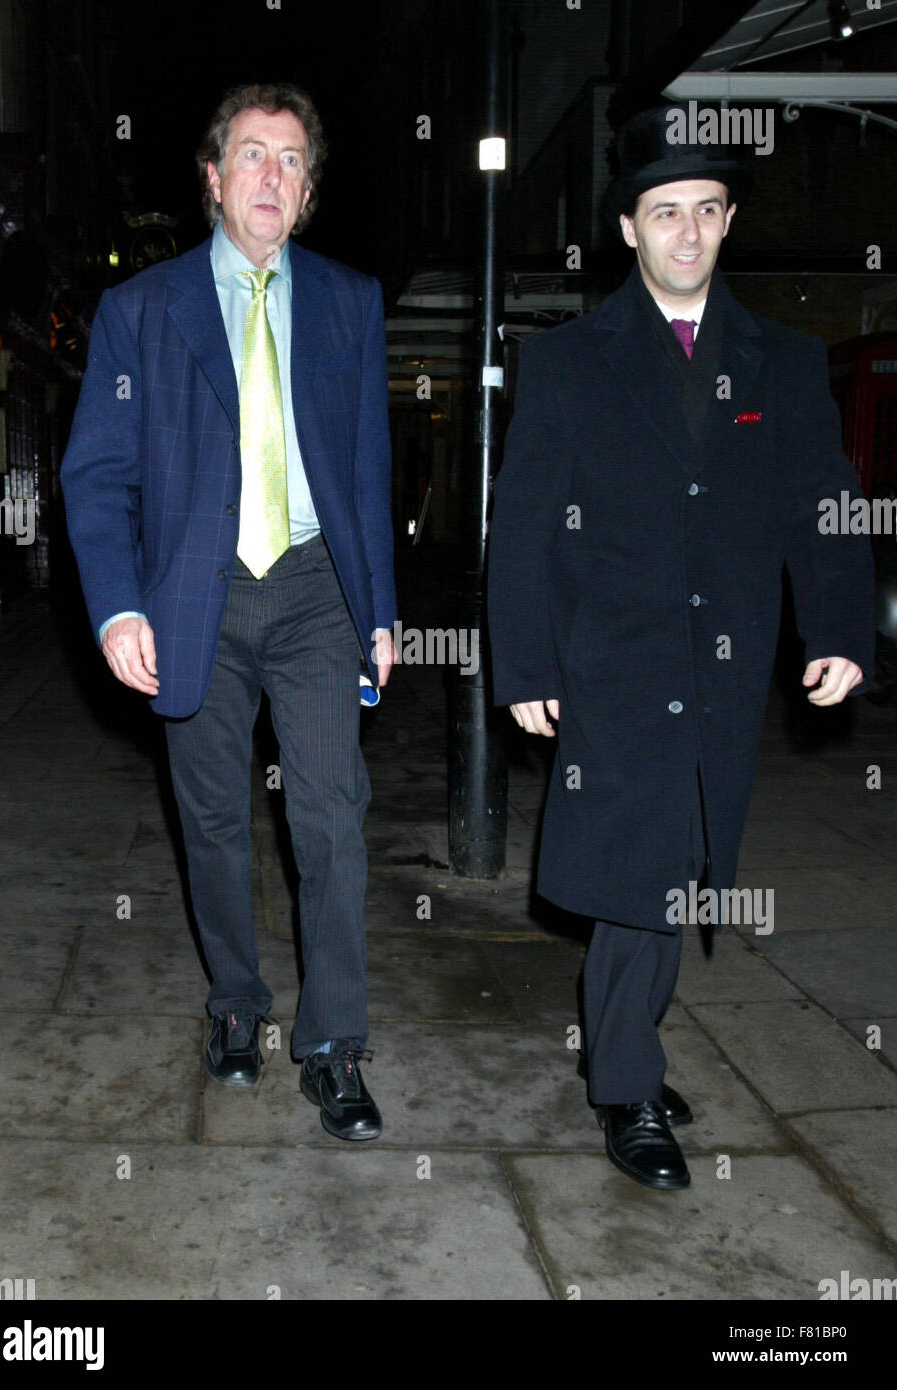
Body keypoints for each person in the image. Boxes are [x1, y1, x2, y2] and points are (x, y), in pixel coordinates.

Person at [486, 105, 875, 1190]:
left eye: (706, 211)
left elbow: (822, 504)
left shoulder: (781, 362)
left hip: (721, 667)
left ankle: (625, 1054)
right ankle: (625, 1088)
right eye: (665, 214)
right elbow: (521, 522)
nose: (688, 233)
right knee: (637, 878)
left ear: (727, 221)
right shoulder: (566, 363)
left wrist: (837, 626)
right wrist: (521, 664)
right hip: (607, 662)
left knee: (680, 869)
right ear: (627, 230)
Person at [61, 83, 396, 1142]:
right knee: (209, 822)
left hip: (311, 588)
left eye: (291, 161)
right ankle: (236, 1007)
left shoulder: (349, 299)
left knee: (330, 816)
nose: (270, 176)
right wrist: (116, 607)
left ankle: (334, 1044)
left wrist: (380, 606)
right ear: (211, 180)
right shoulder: (140, 311)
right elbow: (96, 474)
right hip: (185, 591)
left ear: (305, 193)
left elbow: (365, 468)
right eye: (250, 155)